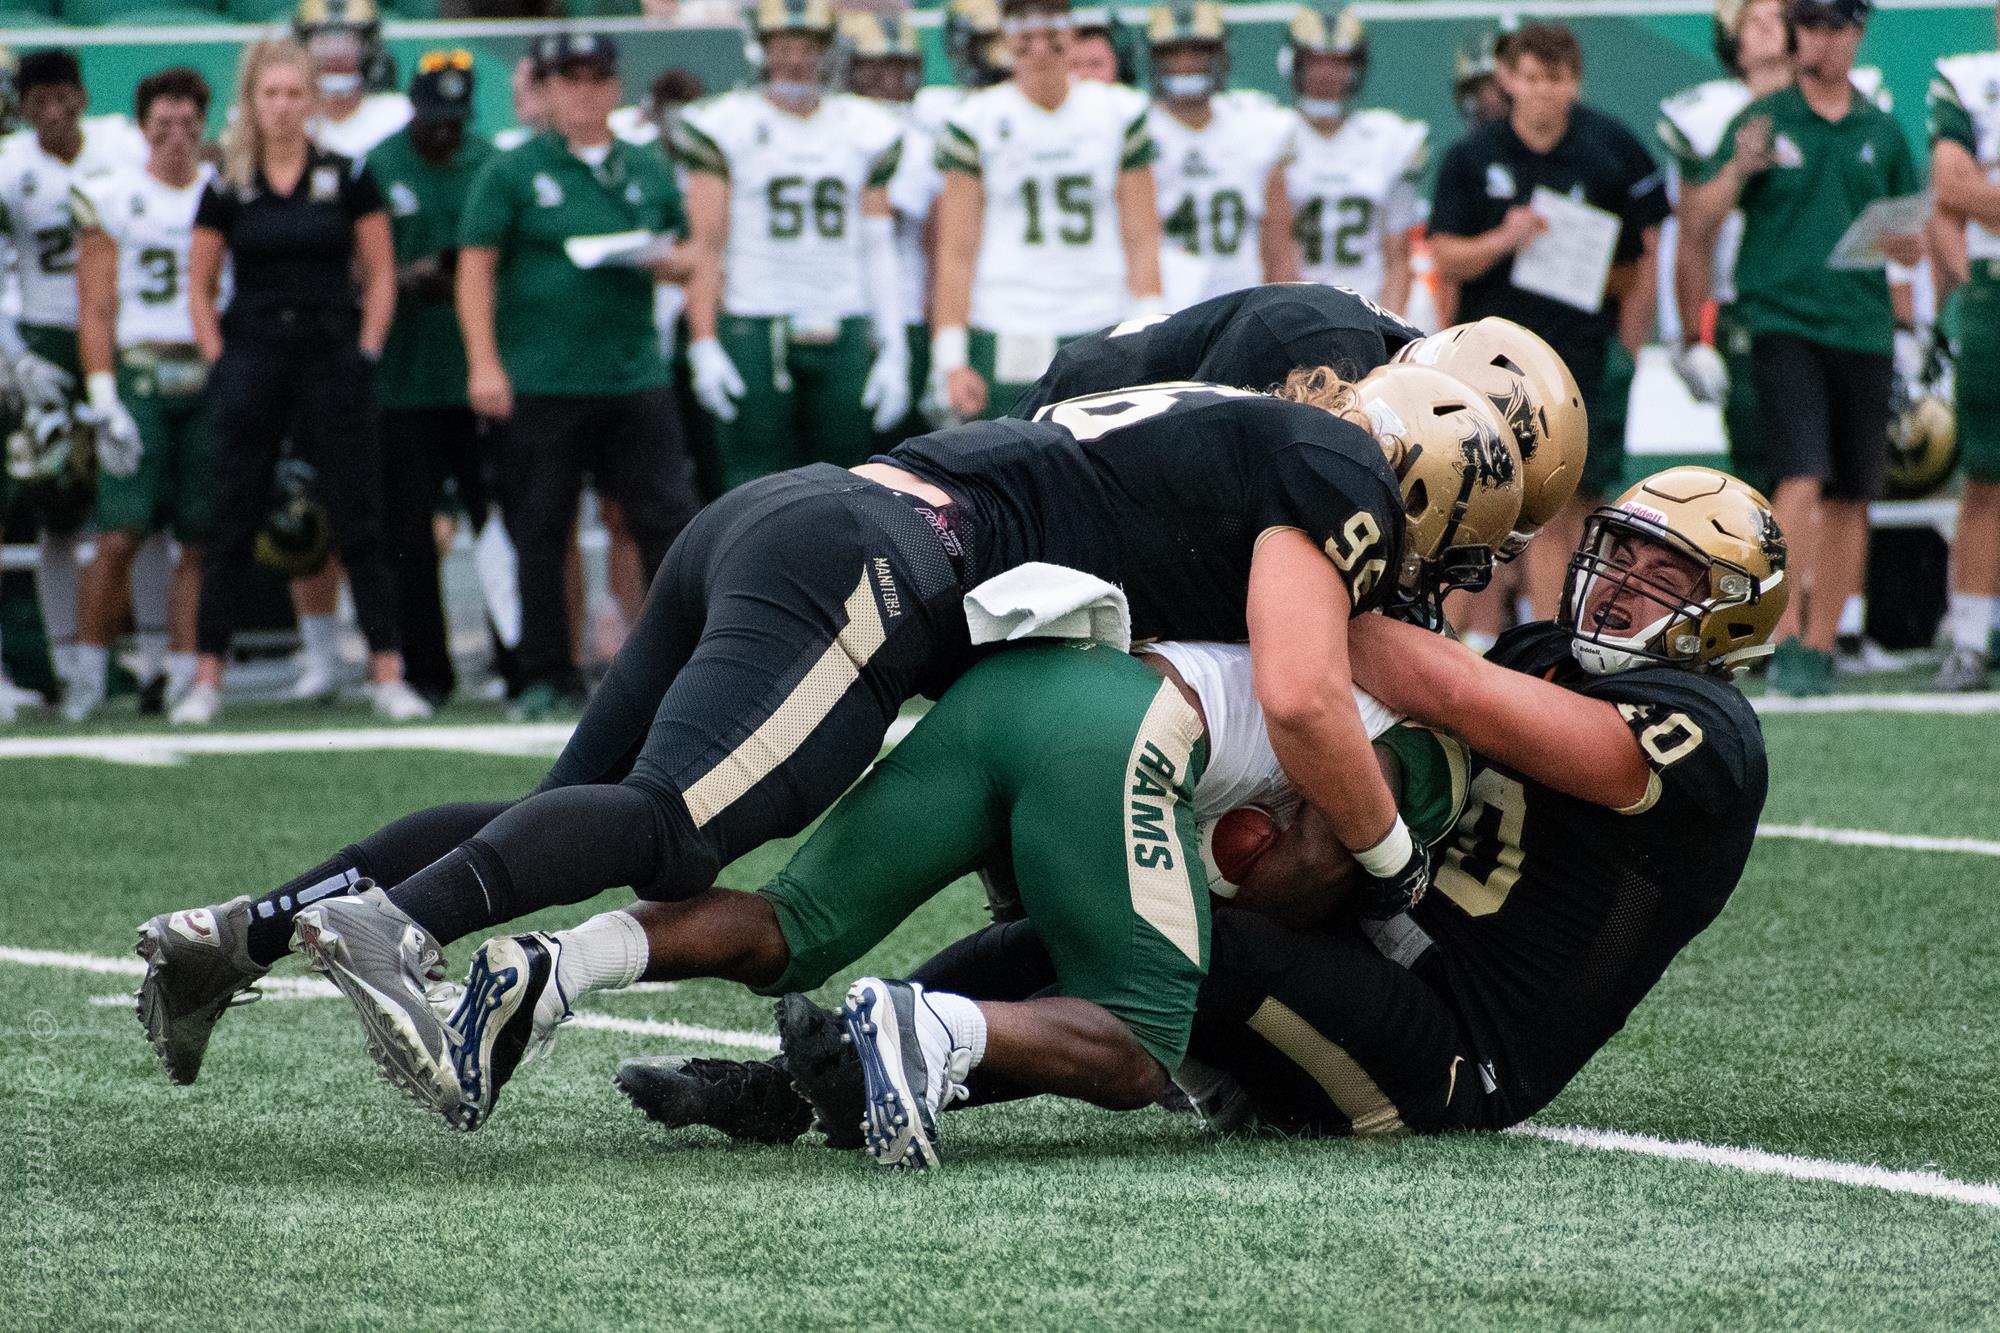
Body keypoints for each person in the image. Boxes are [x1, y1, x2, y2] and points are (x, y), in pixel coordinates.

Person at [132, 371, 1508, 1099]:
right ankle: (403, 930)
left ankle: (240, 933)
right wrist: (1390, 871)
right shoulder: (1337, 469)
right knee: (670, 832)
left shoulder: (1228, 410)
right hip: (878, 563)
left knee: (572, 806)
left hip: (806, 510)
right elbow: (1304, 686)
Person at [644, 469, 1786, 1151]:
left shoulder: (1707, 735)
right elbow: (1409, 733)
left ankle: (937, 1039)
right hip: (1369, 952)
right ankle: (820, 1076)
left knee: (1197, 947)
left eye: (1665, 577)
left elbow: (1435, 683)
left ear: (1728, 616)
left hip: (1448, 1060)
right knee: (1087, 922)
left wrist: (1294, 548)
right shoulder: (1545, 649)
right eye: (1621, 554)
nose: (1624, 585)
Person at [177, 38, 425, 726]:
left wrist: (368, 346)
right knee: (232, 512)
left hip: (330, 350)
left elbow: (378, 273)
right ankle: (206, 675)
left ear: (313, 99)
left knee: (358, 511)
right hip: (254, 349)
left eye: (294, 94)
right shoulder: (229, 181)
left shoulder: (346, 174)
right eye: (271, 94)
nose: (283, 107)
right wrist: (219, 353)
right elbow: (200, 283)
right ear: (252, 101)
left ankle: (385, 668)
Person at [456, 32, 700, 720]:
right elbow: (476, 267)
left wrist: (664, 260)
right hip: (542, 377)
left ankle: (680, 668)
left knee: (666, 524)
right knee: (540, 527)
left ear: (615, 88)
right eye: (570, 79)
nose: (584, 93)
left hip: (631, 371)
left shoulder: (646, 168)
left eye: (597, 79)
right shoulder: (512, 170)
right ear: (547, 88)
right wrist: (483, 362)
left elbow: (686, 251)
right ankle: (545, 673)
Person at [1678, 0, 1919, 697]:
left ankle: (1821, 643)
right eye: (1809, 25)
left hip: (1863, 323)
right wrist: (1740, 170)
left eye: (1834, 26)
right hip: (1781, 319)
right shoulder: (1763, 118)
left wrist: (1910, 287)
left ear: (1857, 33)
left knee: (1851, 492)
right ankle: (1777, 636)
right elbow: (1698, 217)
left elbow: (1909, 229)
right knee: (1801, 474)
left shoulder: (1882, 127)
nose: (1822, 40)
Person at [1428, 22, 1671, 621]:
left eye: (1554, 79)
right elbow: (1443, 256)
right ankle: (1474, 641)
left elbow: (1637, 264)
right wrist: (1504, 239)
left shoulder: (1610, 148)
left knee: (1577, 505)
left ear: (1575, 83)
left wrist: (1629, 350)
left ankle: (1566, 640)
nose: (1540, 92)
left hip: (1579, 356)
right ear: (1507, 78)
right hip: (1492, 361)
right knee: (1475, 503)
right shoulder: (1472, 156)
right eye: (1530, 77)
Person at [673, 0, 910, 491]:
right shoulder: (727, 125)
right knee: (754, 487)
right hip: (755, 321)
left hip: (843, 319)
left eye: (807, 47)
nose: (796, 60)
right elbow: (707, 245)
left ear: (828, 53)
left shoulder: (863, 127)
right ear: (760, 50)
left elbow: (878, 244)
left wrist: (894, 345)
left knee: (848, 485)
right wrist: (703, 340)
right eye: (783, 47)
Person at [0, 50, 151, 718]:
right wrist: (15, 354)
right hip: (43, 339)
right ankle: (66, 664)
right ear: (22, 105)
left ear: (84, 96)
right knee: (52, 507)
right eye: (39, 99)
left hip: (120, 335)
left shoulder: (122, 145)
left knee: (139, 508)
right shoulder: (11, 168)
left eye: (62, 95)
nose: (52, 111)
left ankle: (154, 658)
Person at [64, 69, 215, 723]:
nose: (176, 137)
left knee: (201, 537)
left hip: (207, 370)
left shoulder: (221, 191)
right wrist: (103, 392)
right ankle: (87, 670)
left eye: (187, 124)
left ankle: (184, 671)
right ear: (142, 127)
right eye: (163, 125)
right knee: (120, 532)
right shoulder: (114, 196)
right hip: (140, 369)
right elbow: (95, 305)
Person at [929, 0, 1164, 420]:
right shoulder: (976, 119)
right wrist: (951, 355)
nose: (1038, 47)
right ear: (1005, 38)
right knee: (1000, 469)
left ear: (1070, 32)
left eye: (1050, 31)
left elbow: (1143, 235)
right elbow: (956, 249)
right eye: (1025, 32)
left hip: (1099, 318)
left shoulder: (1117, 111)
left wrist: (1148, 331)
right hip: (1006, 321)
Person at [365, 51, 496, 708]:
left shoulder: (488, 162)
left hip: (477, 373)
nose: (446, 133)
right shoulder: (381, 165)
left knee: (497, 520)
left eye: (456, 120)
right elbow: (356, 263)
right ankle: (426, 669)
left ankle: (516, 659)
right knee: (410, 534)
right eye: (434, 119)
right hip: (406, 378)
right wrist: (403, 278)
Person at [1659, 0, 1797, 500]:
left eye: (1779, 18)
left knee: (1834, 477)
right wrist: (1687, 335)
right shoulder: (1709, 114)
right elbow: (1688, 234)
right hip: (1744, 306)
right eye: (1754, 21)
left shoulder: (1839, 104)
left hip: (1825, 304)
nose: (1768, 31)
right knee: (1759, 465)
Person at [1927, 12, 2000, 691]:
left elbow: (1971, 193)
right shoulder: (1971, 78)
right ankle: (1971, 638)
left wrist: (1986, 197)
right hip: (1993, 293)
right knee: (1985, 475)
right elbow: (1950, 186)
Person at [1145, 0, 1299, 312]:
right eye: (1173, 51)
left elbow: (1278, 244)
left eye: (1198, 50)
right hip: (1167, 307)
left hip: (1240, 303)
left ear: (1220, 55)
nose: (1186, 62)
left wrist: (1282, 307)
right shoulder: (1138, 128)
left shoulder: (1255, 124)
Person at [1281, 4, 1427, 314]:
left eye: (1338, 62)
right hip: (1290, 311)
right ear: (1296, 65)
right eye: (1316, 61)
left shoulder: (1388, 139)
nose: (1326, 73)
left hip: (1366, 309)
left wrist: (1390, 327)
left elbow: (1399, 259)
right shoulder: (1271, 134)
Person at [297, 0, 411, 159]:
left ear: (369, 45)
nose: (335, 50)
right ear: (303, 45)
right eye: (323, 38)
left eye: (348, 38)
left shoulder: (398, 113)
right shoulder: (289, 114)